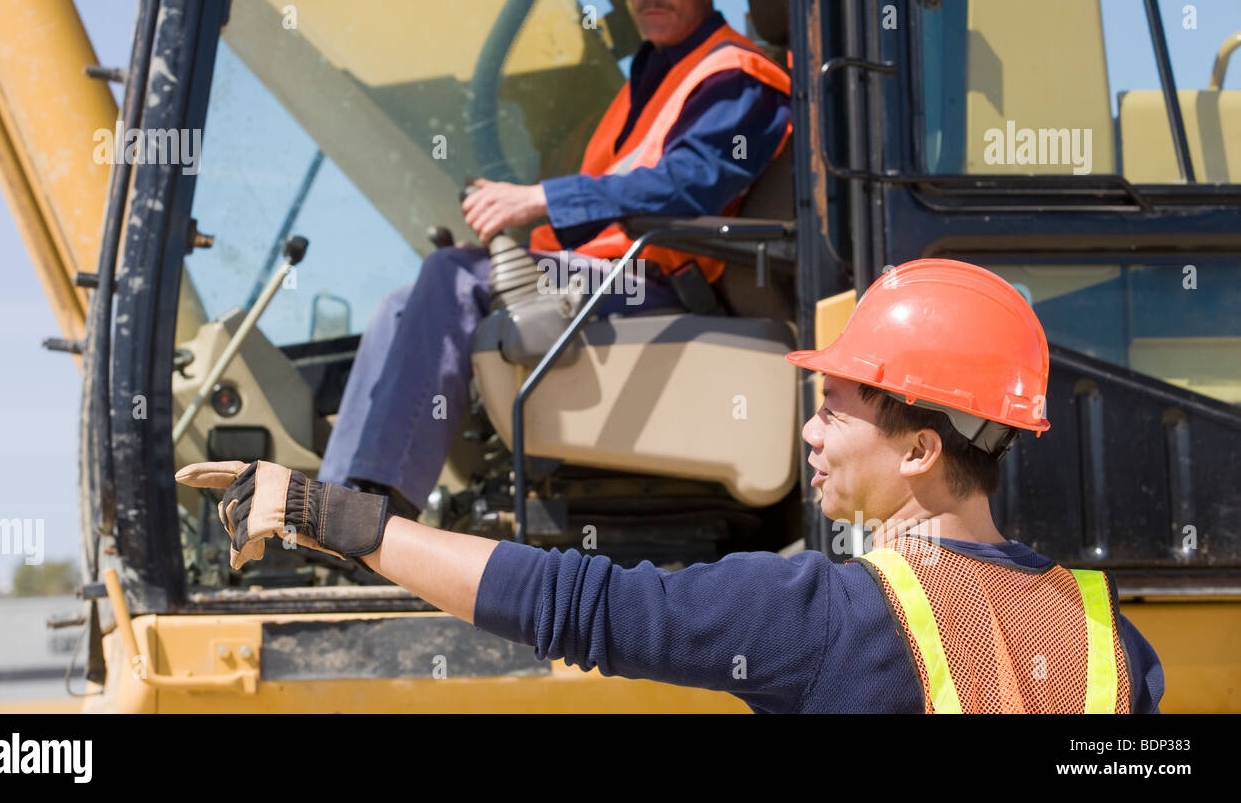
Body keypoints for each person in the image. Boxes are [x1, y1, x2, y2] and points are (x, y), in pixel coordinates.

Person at [178, 258, 1164, 713]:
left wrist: (332, 515)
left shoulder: (828, 614)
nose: (809, 429)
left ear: (917, 448)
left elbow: (581, 603)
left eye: (836, 405)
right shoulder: (1112, 644)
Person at [317, 0, 792, 514]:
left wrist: (536, 200)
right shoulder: (655, 76)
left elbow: (693, 186)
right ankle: (334, 499)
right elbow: (610, 208)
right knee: (407, 302)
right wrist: (517, 246)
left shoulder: (736, 76)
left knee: (453, 278)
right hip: (611, 278)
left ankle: (373, 515)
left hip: (655, 284)